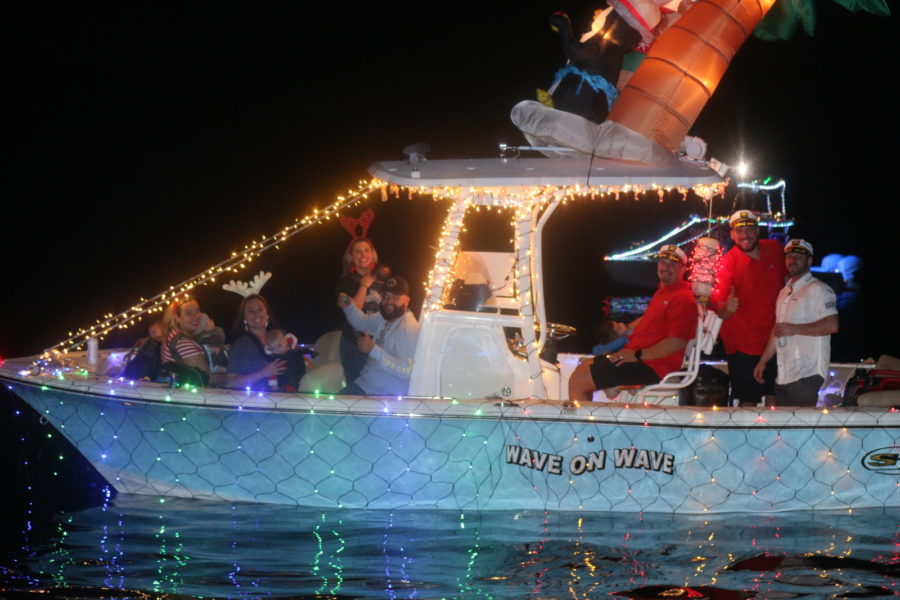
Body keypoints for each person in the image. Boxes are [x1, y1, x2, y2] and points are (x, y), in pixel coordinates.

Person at [568, 245, 697, 404]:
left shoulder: (682, 298)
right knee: (583, 366)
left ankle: (583, 426)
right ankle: (588, 420)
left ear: (683, 268)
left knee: (578, 381)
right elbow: (648, 318)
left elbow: (676, 342)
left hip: (652, 365)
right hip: (637, 357)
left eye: (672, 264)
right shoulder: (665, 292)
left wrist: (636, 355)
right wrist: (627, 328)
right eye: (662, 262)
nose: (666, 267)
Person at [711, 210, 787, 406]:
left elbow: (788, 277)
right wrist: (727, 308)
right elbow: (719, 308)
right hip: (744, 343)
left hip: (776, 337)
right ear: (732, 234)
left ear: (757, 230)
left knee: (775, 397)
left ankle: (775, 437)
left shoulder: (775, 248)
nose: (745, 235)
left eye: (750, 229)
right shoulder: (726, 264)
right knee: (748, 401)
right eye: (740, 230)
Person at [753, 239, 839, 406]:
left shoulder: (819, 289)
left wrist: (794, 328)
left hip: (806, 374)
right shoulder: (784, 292)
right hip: (784, 374)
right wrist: (763, 361)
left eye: (798, 256)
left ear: (809, 260)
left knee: (800, 430)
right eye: (789, 256)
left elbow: (832, 325)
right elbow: (778, 330)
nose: (793, 260)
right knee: (784, 430)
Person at [337, 275, 419, 396]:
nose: (389, 302)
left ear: (407, 300)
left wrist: (372, 349)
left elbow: (406, 370)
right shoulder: (385, 317)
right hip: (365, 385)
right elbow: (361, 322)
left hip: (381, 396)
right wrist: (349, 306)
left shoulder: (407, 328)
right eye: (386, 296)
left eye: (396, 297)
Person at [337, 237, 391, 384]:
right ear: (351, 257)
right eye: (358, 252)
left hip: (379, 345)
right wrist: (363, 286)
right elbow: (352, 309)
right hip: (355, 345)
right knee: (358, 389)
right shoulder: (347, 280)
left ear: (373, 254)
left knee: (379, 386)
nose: (363, 255)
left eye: (367, 250)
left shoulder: (383, 280)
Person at [227, 294, 293, 391]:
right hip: (256, 401)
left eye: (260, 309)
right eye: (250, 311)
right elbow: (232, 382)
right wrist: (263, 373)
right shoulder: (241, 346)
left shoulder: (280, 337)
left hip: (289, 397)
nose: (256, 314)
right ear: (244, 318)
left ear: (267, 314)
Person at [161, 297, 210, 377]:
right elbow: (206, 378)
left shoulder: (171, 335)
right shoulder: (183, 343)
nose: (196, 316)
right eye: (188, 313)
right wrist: (230, 378)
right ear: (177, 317)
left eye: (197, 311)